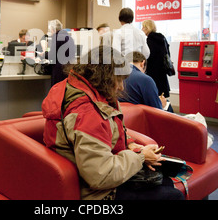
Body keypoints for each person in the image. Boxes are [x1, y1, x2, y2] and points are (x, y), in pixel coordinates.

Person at [42, 45, 184, 200]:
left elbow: (105, 132)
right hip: (99, 193)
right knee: (173, 196)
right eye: (119, 80)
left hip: (91, 176)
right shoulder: (87, 113)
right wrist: (140, 157)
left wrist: (129, 143)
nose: (121, 87)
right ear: (106, 77)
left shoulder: (80, 90)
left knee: (165, 182)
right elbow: (101, 176)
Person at [142, 19, 171, 98]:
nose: (142, 29)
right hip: (162, 71)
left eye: (143, 27)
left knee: (155, 95)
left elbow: (149, 56)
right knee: (162, 96)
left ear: (147, 28)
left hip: (153, 71)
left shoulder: (150, 40)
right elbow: (167, 52)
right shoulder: (162, 38)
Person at [42, 19, 76, 86]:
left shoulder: (57, 37)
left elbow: (52, 55)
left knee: (57, 90)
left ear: (53, 29)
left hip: (59, 69)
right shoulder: (69, 37)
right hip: (68, 68)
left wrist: (44, 53)